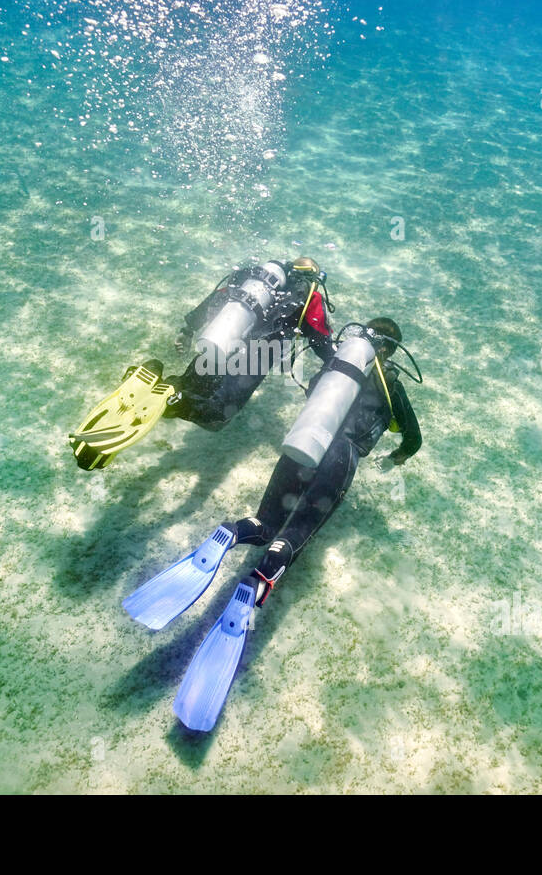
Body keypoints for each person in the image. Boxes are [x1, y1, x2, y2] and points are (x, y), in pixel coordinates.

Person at [122, 317, 422, 730]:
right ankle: (258, 580)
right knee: (292, 538)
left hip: (307, 439)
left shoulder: (339, 365)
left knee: (266, 522)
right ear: (389, 350)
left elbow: (315, 391)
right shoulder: (393, 385)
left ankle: (229, 533)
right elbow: (413, 441)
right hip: (342, 457)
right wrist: (394, 459)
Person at [68, 258, 333, 470]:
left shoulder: (253, 281)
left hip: (220, 338)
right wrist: (333, 362)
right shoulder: (309, 295)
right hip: (254, 355)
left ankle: (159, 381)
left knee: (189, 385)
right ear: (313, 278)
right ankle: (177, 397)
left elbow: (215, 299)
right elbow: (321, 340)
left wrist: (188, 329)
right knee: (216, 413)